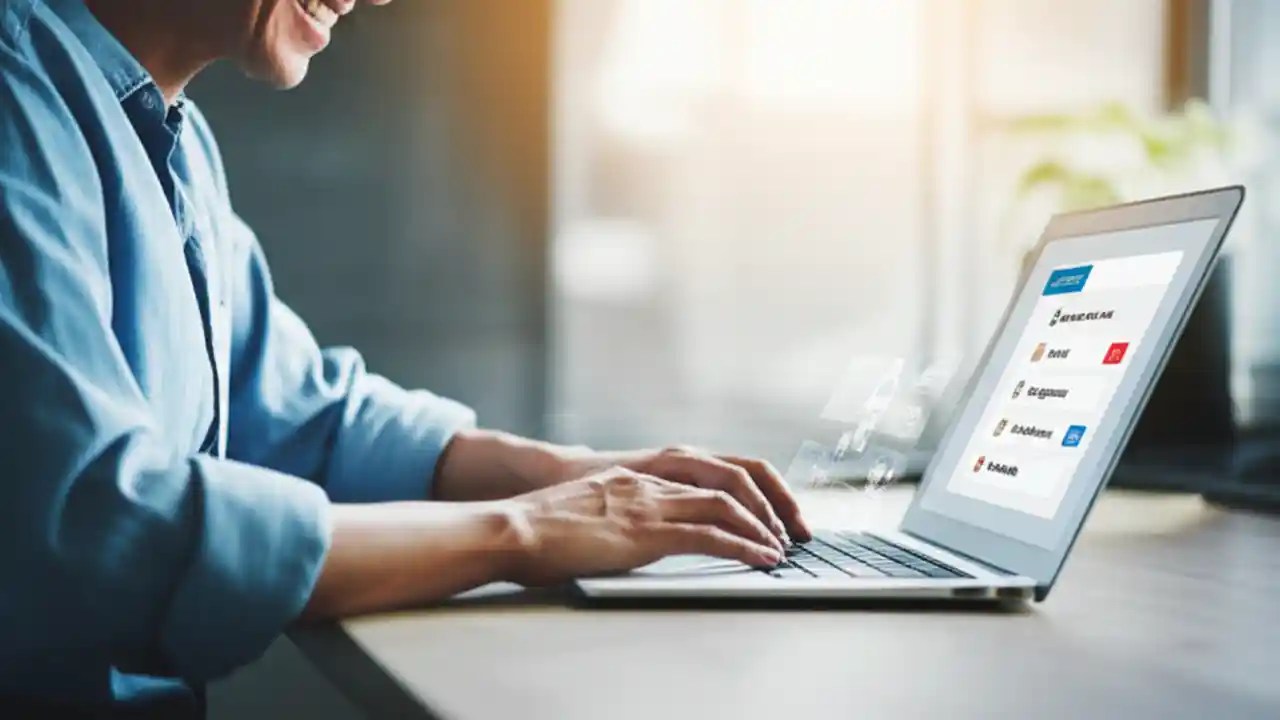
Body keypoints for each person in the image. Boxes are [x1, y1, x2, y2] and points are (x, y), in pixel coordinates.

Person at [0, 0, 811, 715]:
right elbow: (96, 522)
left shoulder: (167, 139)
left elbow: (294, 414)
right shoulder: (14, 102)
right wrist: (520, 533)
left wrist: (578, 475)